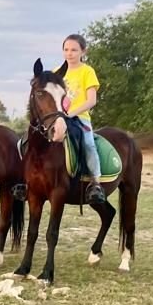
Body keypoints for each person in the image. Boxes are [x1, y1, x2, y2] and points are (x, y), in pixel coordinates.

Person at [51, 33, 105, 204]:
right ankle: (26, 179)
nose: (69, 53)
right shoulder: (56, 72)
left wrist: (71, 113)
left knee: (88, 143)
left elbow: (92, 100)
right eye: (66, 49)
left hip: (79, 117)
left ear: (83, 51)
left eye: (74, 50)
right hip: (57, 117)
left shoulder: (87, 72)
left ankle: (95, 182)